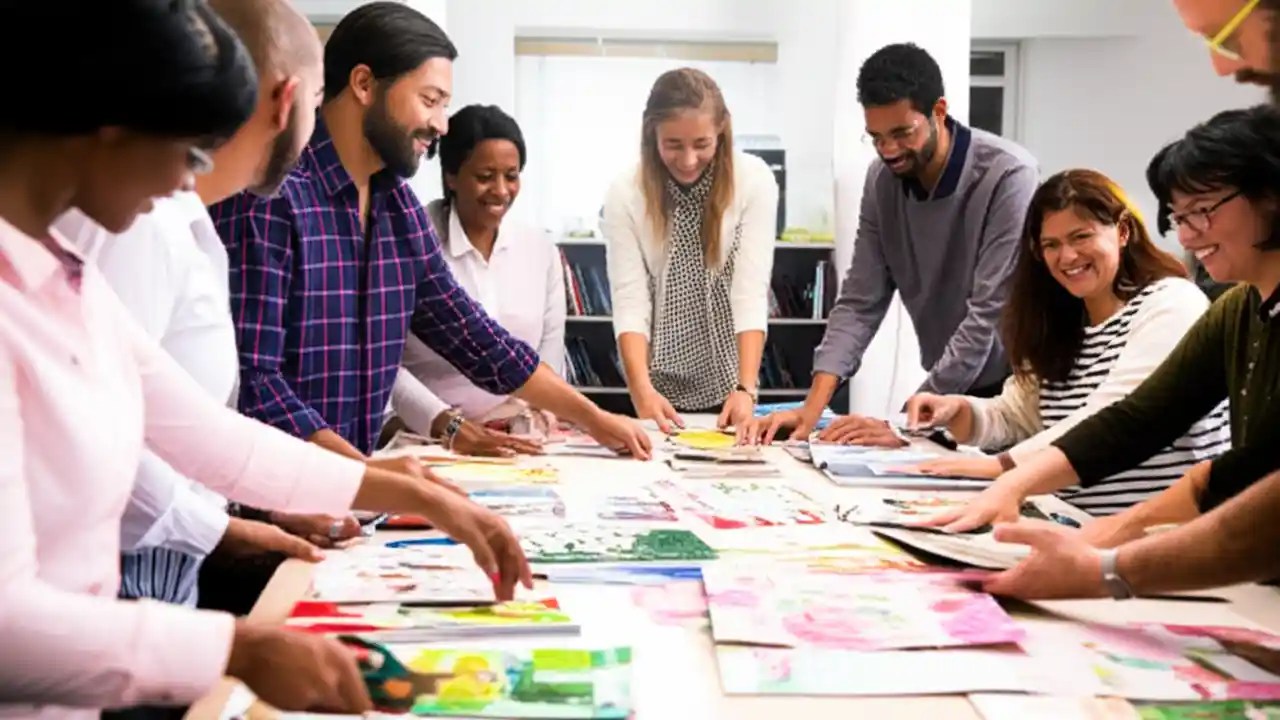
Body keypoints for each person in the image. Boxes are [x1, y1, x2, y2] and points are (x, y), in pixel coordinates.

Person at [0, 2, 530, 715]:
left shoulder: (71, 276)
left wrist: (413, 492)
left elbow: (213, 436)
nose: (185, 187)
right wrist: (237, 648)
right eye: (189, 150)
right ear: (109, 123)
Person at [210, 1, 649, 468]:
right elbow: (256, 381)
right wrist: (362, 478)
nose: (441, 124)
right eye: (430, 100)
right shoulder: (274, 195)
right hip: (276, 501)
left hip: (350, 501)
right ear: (363, 84)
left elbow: (478, 340)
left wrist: (594, 417)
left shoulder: (398, 209)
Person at [51, 0, 335, 633]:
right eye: (318, 99)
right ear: (287, 99)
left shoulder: (169, 214)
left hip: (151, 573)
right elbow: (108, 443)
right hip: (118, 578)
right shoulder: (135, 220)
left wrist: (355, 486)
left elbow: (195, 426)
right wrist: (223, 531)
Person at [949, 104, 1280, 599]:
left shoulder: (1172, 301)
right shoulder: (1237, 307)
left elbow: (1253, 468)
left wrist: (1114, 547)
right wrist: (1012, 484)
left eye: (1202, 211)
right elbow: (1139, 418)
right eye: (1179, 217)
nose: (1188, 235)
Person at [740, 42, 1039, 445]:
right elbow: (859, 302)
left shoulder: (1009, 176)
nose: (888, 150)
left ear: (939, 111)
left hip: (1014, 397)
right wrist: (811, 411)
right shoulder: (881, 182)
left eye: (902, 133)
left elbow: (987, 314)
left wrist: (904, 424)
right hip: (945, 393)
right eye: (876, 137)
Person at [891, 170, 1231, 516]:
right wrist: (959, 411)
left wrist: (1004, 467)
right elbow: (1016, 415)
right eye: (1051, 245)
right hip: (1066, 525)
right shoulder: (1056, 324)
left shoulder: (1171, 302)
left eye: (1081, 237)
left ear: (1123, 232)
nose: (1067, 257)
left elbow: (1114, 416)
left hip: (1153, 540)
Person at [600, 67, 779, 431]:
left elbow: (749, 292)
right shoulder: (625, 193)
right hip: (656, 386)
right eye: (673, 145)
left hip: (731, 381)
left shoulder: (755, 181)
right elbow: (630, 300)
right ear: (652, 134)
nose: (687, 160)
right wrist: (641, 390)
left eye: (701, 144)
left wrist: (746, 388)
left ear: (722, 131)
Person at [391, 104, 559, 455]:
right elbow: (383, 365)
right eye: (485, 176)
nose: (500, 190)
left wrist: (548, 411)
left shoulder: (540, 250)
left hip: (518, 435)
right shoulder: (407, 241)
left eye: (511, 176)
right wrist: (447, 425)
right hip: (425, 435)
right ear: (451, 176)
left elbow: (548, 355)